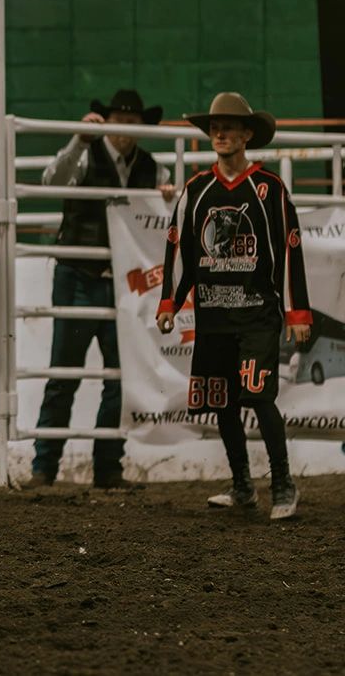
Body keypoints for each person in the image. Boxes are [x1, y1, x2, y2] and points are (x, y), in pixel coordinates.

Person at [158, 92, 309, 521]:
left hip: (257, 314)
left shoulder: (269, 189)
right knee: (223, 401)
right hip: (213, 316)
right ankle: (243, 485)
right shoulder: (196, 190)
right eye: (215, 127)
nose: (220, 133)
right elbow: (180, 250)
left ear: (247, 135)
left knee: (260, 397)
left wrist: (298, 312)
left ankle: (283, 484)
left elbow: (289, 252)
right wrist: (169, 300)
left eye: (228, 127)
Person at [31, 90, 175, 489]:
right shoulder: (84, 152)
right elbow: (51, 182)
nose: (125, 128)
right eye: (119, 119)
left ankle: (106, 467)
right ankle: (45, 467)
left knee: (119, 377)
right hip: (80, 276)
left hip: (123, 285)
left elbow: (165, 218)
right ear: (105, 121)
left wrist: (165, 201)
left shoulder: (152, 169)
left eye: (132, 121)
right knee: (65, 374)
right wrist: (79, 138)